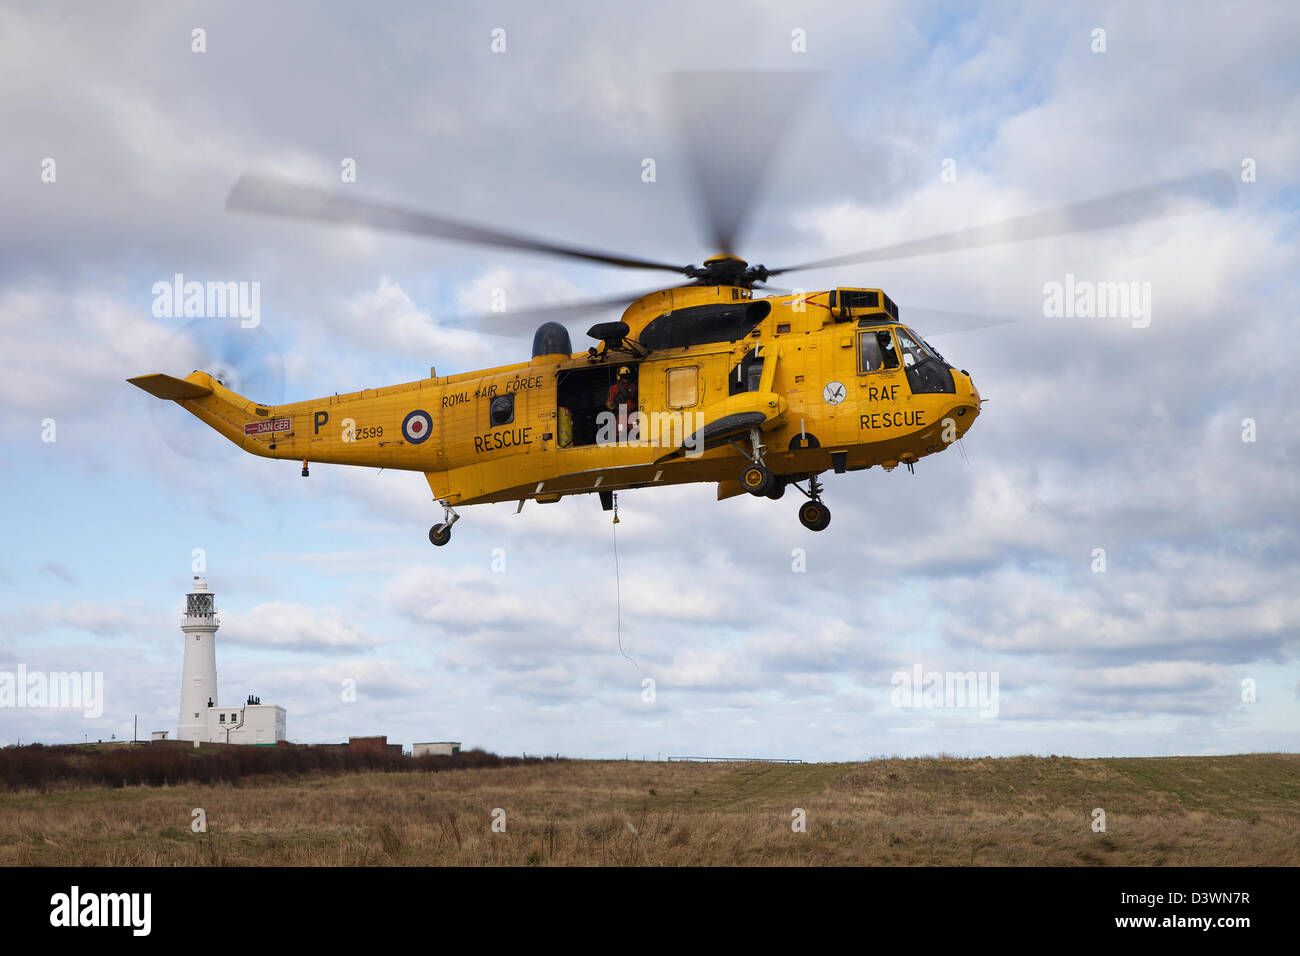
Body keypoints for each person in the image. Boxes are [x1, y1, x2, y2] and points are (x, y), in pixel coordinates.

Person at [606, 366, 637, 443]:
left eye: (627, 377)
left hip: (632, 415)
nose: (625, 379)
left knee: (635, 434)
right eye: (623, 377)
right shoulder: (614, 388)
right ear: (619, 377)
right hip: (621, 415)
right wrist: (616, 409)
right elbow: (609, 403)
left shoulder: (633, 386)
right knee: (620, 436)